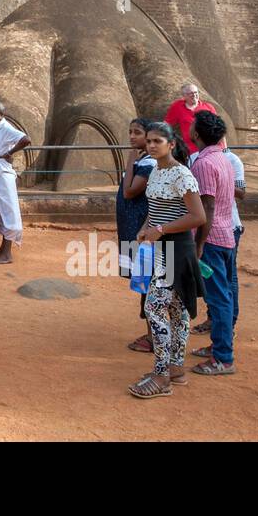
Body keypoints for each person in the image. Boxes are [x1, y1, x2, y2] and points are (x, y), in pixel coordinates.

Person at [127, 122, 206, 398]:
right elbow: (155, 209)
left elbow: (198, 216)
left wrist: (159, 230)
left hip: (176, 250)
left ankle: (162, 376)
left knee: (154, 307)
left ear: (171, 144)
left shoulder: (181, 174)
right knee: (176, 311)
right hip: (160, 250)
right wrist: (146, 227)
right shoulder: (155, 171)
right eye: (148, 141)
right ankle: (175, 369)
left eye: (157, 141)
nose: (150, 145)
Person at [187, 111, 238, 376]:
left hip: (212, 239)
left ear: (197, 134)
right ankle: (219, 347)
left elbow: (206, 206)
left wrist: (199, 244)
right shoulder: (222, 159)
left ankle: (223, 358)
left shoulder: (203, 164)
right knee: (223, 295)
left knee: (218, 299)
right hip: (224, 235)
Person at [119, 118, 157, 353]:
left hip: (142, 232)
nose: (132, 136)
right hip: (135, 229)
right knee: (143, 280)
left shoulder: (147, 163)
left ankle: (154, 336)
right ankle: (151, 333)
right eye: (130, 132)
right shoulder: (144, 160)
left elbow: (130, 190)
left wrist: (132, 157)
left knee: (149, 281)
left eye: (137, 133)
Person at [0, 102, 30, 265]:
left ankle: (7, 254)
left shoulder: (7, 128)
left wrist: (10, 152)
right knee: (0, 212)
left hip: (2, 175)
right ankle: (3, 249)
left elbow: (25, 139)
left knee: (8, 213)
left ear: (1, 114)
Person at [164, 83, 217, 155]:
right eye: (191, 93)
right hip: (190, 151)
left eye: (196, 92)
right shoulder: (178, 106)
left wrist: (224, 148)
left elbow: (218, 128)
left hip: (210, 148)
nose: (194, 95)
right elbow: (166, 125)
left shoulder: (208, 107)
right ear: (184, 96)